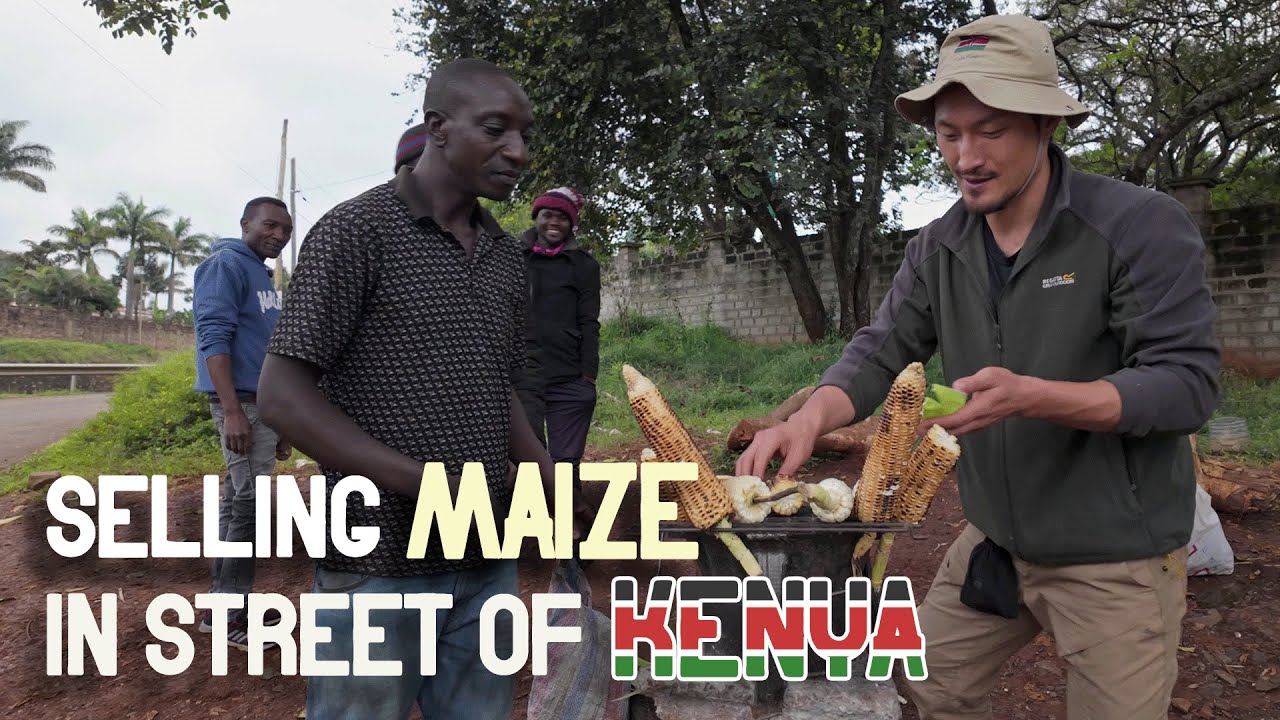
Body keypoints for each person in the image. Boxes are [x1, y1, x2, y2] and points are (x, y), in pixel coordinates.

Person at [736, 14, 1221, 720]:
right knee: (905, 697)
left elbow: (1187, 386)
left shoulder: (1135, 227)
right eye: (949, 132)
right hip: (995, 540)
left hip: (1115, 558)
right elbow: (882, 348)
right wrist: (811, 416)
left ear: (1044, 126)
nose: (966, 155)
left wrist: (1033, 395)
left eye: (991, 129)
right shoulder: (940, 246)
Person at [257, 58, 590, 720]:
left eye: (523, 135)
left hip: (485, 557)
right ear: (438, 128)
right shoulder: (358, 232)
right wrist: (423, 484)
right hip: (378, 560)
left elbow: (495, 389)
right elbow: (281, 395)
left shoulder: (502, 256)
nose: (518, 153)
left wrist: (549, 479)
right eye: (496, 130)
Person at [191, 195, 294, 649]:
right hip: (241, 406)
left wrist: (282, 420)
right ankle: (233, 617)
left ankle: (221, 607)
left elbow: (266, 347)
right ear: (245, 223)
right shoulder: (224, 266)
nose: (277, 235)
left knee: (238, 505)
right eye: (270, 225)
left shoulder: (260, 272)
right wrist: (233, 410)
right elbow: (212, 335)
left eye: (285, 231)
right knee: (248, 511)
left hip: (261, 405)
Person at [517, 186, 601, 491]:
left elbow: (589, 321)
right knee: (529, 458)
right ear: (536, 218)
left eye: (562, 218)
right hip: (523, 373)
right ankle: (531, 526)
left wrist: (588, 376)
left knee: (565, 461)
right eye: (547, 215)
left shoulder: (583, 265)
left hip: (568, 374)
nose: (554, 222)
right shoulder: (513, 258)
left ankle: (569, 520)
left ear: (571, 224)